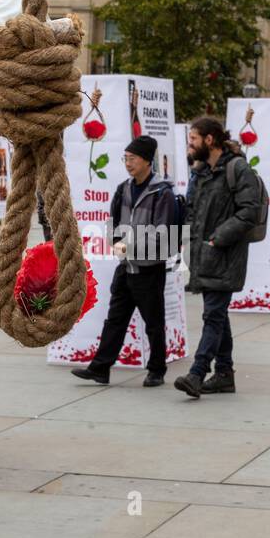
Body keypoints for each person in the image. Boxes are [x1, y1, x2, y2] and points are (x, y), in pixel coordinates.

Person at [72, 136, 178, 387]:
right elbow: (112, 224)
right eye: (126, 158)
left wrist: (128, 247)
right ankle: (100, 368)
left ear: (147, 161)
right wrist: (117, 244)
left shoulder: (162, 193)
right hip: (126, 267)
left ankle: (157, 370)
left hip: (149, 269)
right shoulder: (124, 189)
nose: (128, 164)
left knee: (153, 322)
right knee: (115, 318)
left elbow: (164, 236)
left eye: (133, 159)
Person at [173, 116, 261, 399]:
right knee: (218, 315)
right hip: (204, 255)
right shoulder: (202, 173)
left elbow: (250, 211)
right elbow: (194, 212)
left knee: (213, 314)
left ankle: (197, 373)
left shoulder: (238, 169)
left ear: (209, 140)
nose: (190, 145)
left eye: (193, 140)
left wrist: (217, 238)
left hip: (225, 255)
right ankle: (224, 374)